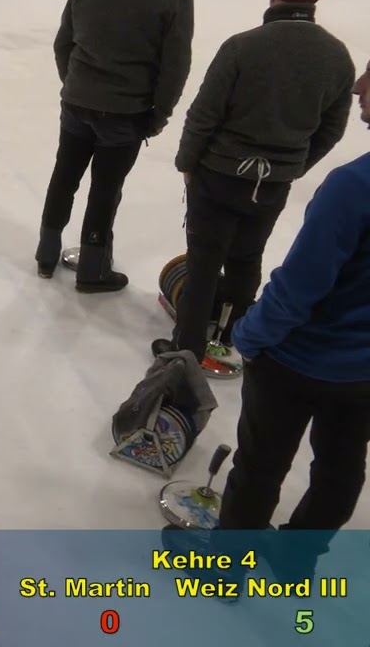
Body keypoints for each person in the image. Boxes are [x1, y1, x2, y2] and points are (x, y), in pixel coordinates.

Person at [166, 57, 370, 592]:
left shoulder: (354, 188)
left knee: (259, 467)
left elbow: (301, 288)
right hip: (362, 375)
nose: (359, 86)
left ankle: (227, 572)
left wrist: (249, 337)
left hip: (299, 360)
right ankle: (295, 560)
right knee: (341, 468)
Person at [151, 0, 354, 375]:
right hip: (272, 186)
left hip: (219, 176)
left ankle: (185, 350)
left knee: (204, 262)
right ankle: (229, 339)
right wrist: (292, 166)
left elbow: (204, 114)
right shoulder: (337, 57)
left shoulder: (244, 47)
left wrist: (188, 162)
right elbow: (331, 130)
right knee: (247, 259)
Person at [35, 0, 194, 291]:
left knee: (64, 177)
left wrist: (74, 85)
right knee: (106, 191)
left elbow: (64, 42)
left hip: (77, 104)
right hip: (125, 114)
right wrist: (158, 115)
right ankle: (92, 271)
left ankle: (46, 253)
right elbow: (175, 66)